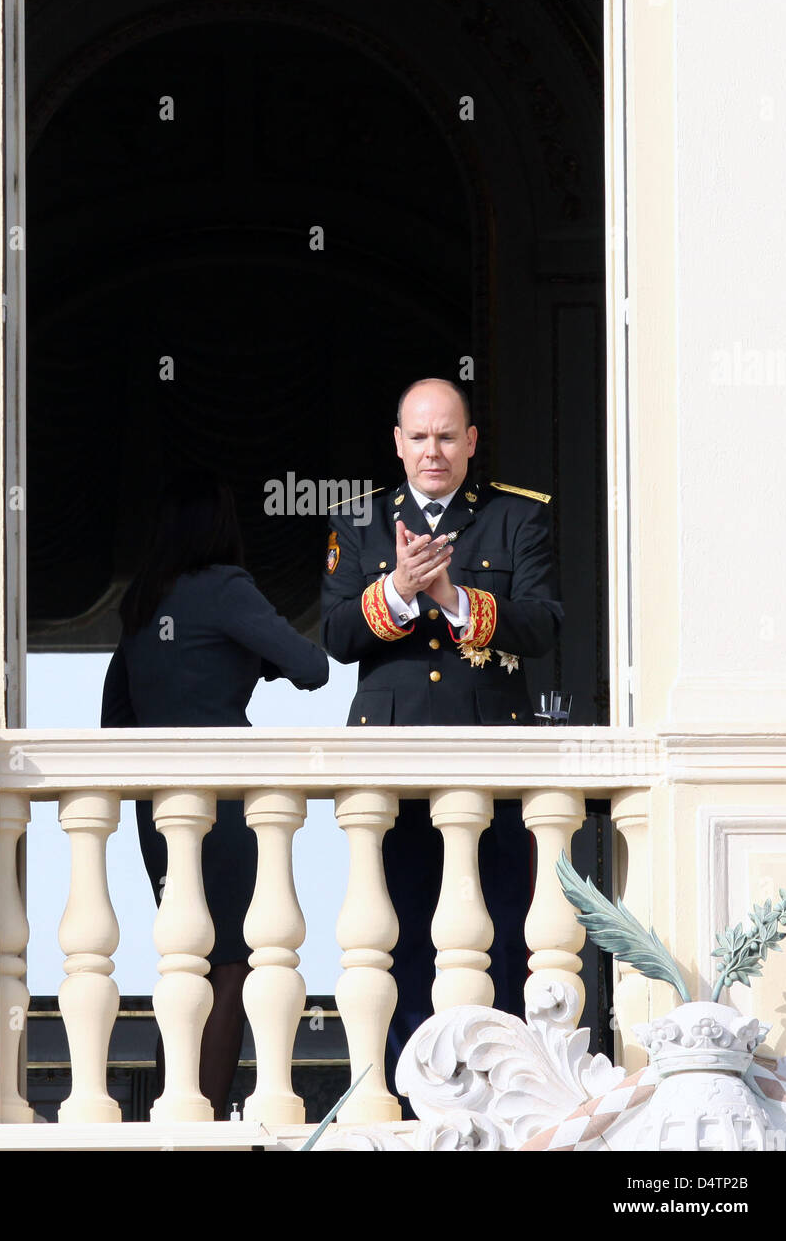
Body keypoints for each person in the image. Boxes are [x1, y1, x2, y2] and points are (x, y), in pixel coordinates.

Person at [320, 377, 563, 1094]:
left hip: (491, 759)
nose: (433, 451)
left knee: (507, 928)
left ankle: (506, 1092)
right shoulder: (358, 523)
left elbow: (544, 625)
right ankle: (404, 1092)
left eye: (447, 436)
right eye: (419, 437)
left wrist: (453, 597)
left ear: (470, 443)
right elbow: (335, 635)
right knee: (396, 934)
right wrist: (396, 586)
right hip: (391, 769)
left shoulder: (516, 519)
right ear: (397, 444)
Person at [101, 474, 328, 1118]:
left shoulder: (143, 603)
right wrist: (256, 657)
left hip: (159, 812)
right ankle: (201, 1115)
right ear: (222, 527)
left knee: (184, 963)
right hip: (224, 809)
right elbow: (313, 669)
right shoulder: (226, 587)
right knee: (231, 970)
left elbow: (115, 718)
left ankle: (169, 1110)